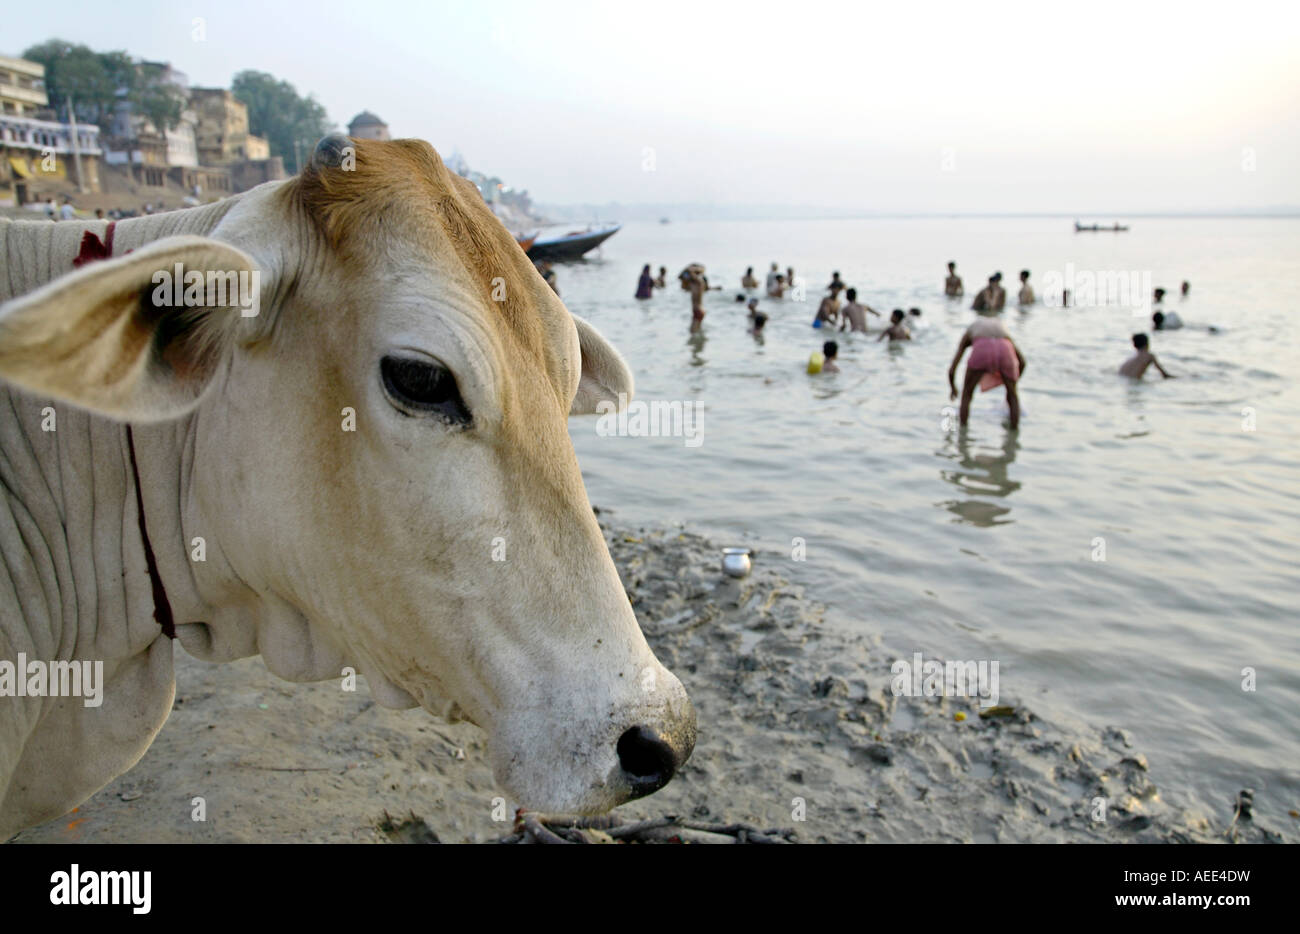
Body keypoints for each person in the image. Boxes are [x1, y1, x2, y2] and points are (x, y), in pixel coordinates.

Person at [947, 312, 1027, 430]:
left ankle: (963, 433)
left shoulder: (972, 330)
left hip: (981, 351)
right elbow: (1022, 361)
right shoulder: (1003, 331)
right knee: (1013, 397)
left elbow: (953, 367)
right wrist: (1012, 384)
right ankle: (1013, 434)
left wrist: (953, 388)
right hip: (1005, 350)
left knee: (967, 395)